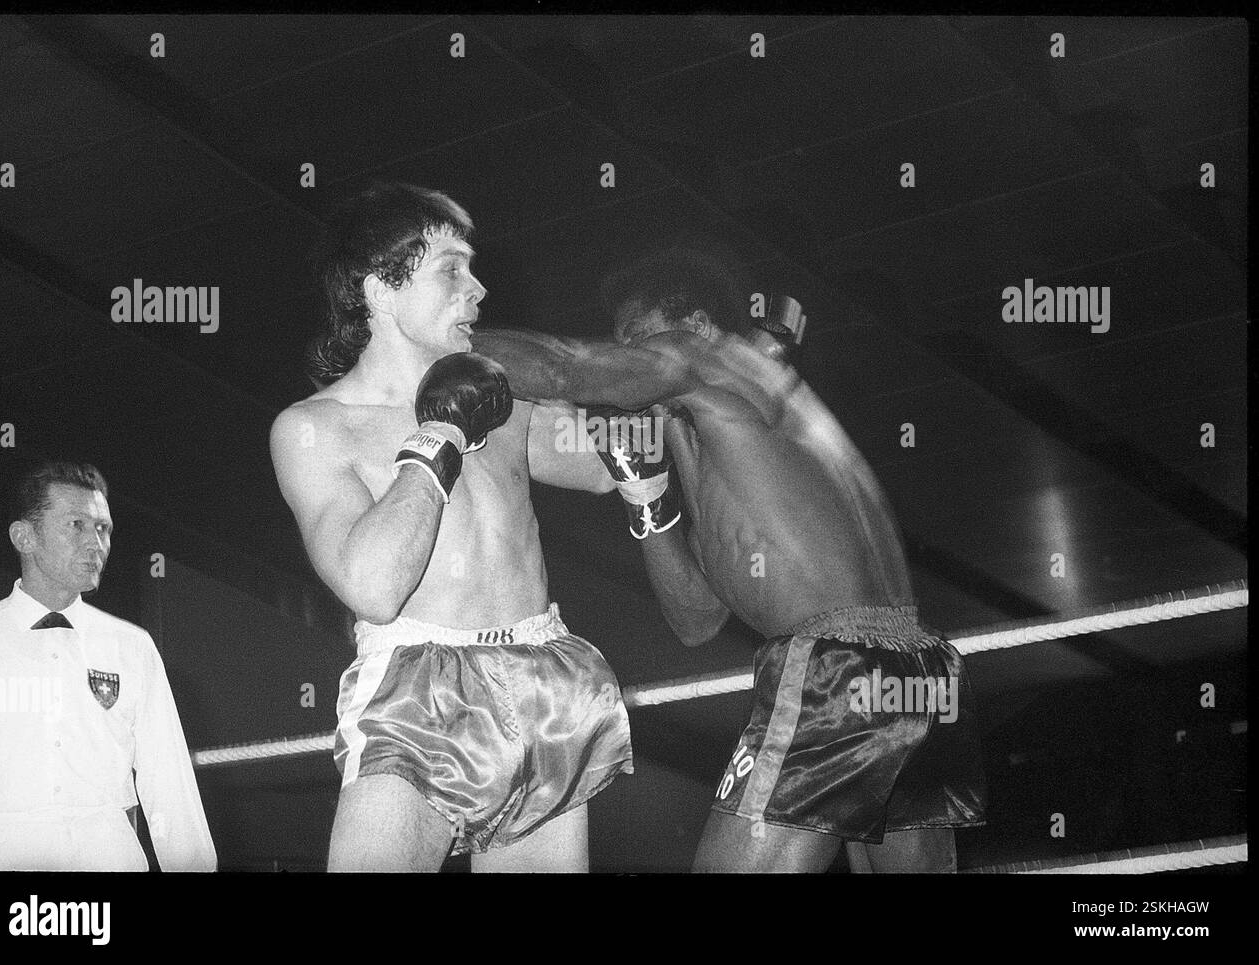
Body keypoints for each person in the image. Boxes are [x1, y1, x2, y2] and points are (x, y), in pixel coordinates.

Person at [471, 247, 987, 873]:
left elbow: (562, 370)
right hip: (917, 675)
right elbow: (697, 619)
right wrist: (649, 496)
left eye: (637, 338)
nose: (627, 357)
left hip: (839, 671)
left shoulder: (713, 361)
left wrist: (437, 335)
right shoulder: (720, 426)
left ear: (698, 326)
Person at [271, 181, 633, 872]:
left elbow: (605, 464)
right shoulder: (316, 429)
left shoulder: (506, 396)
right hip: (418, 689)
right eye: (451, 268)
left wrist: (682, 374)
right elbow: (373, 587)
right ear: (380, 289)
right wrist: (438, 433)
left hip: (544, 678)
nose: (478, 286)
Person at [0, 460, 217, 871]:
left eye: (104, 529)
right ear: (24, 536)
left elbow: (168, 781)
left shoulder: (132, 646)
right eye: (77, 525)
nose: (96, 543)